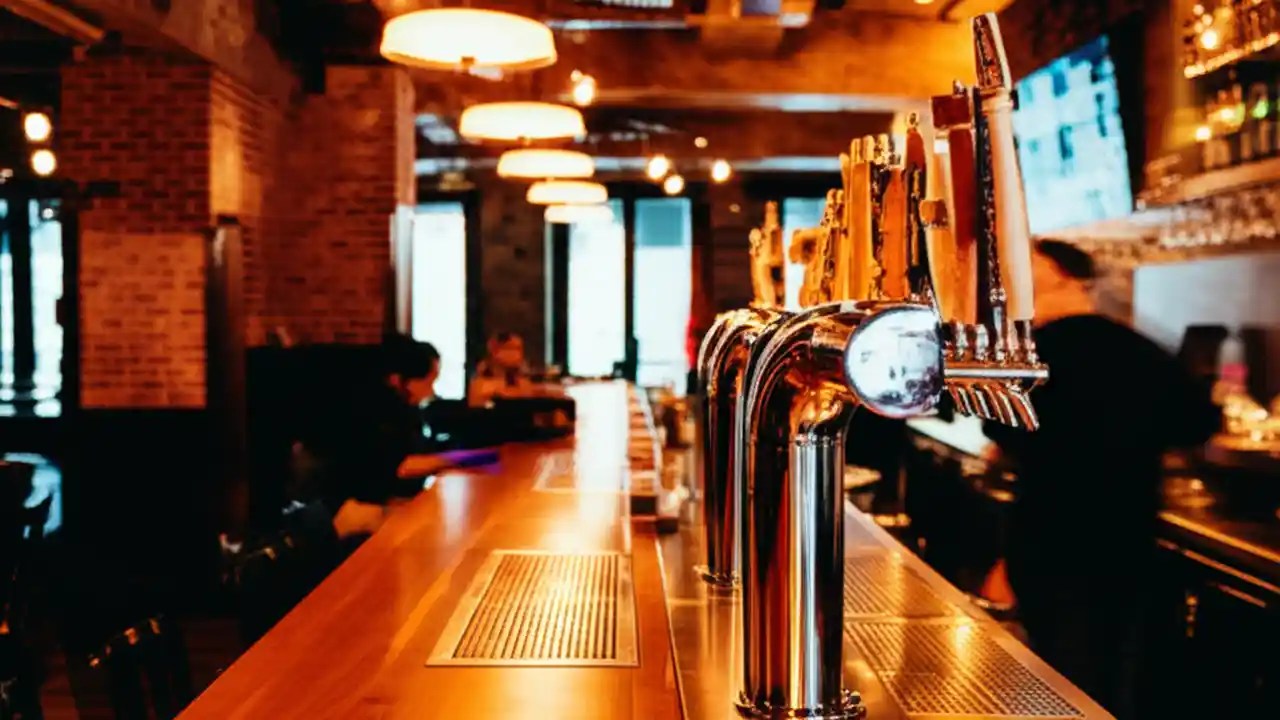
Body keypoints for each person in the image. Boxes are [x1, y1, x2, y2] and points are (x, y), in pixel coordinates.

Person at [982, 239, 1218, 718]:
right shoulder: (1138, 348)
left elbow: (999, 429)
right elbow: (1198, 422)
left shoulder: (1031, 359)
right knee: (1111, 679)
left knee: (1052, 678)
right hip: (1126, 542)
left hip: (1049, 544)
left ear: (1066, 277)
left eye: (1028, 267)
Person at [293, 335, 451, 538]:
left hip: (361, 507)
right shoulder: (372, 410)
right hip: (344, 513)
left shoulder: (400, 408)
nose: (431, 391)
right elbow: (401, 467)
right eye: (427, 382)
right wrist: (459, 460)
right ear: (397, 379)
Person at [468, 331, 536, 407]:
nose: (518, 355)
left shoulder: (522, 381)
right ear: (494, 351)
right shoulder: (480, 383)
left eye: (519, 349)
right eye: (511, 348)